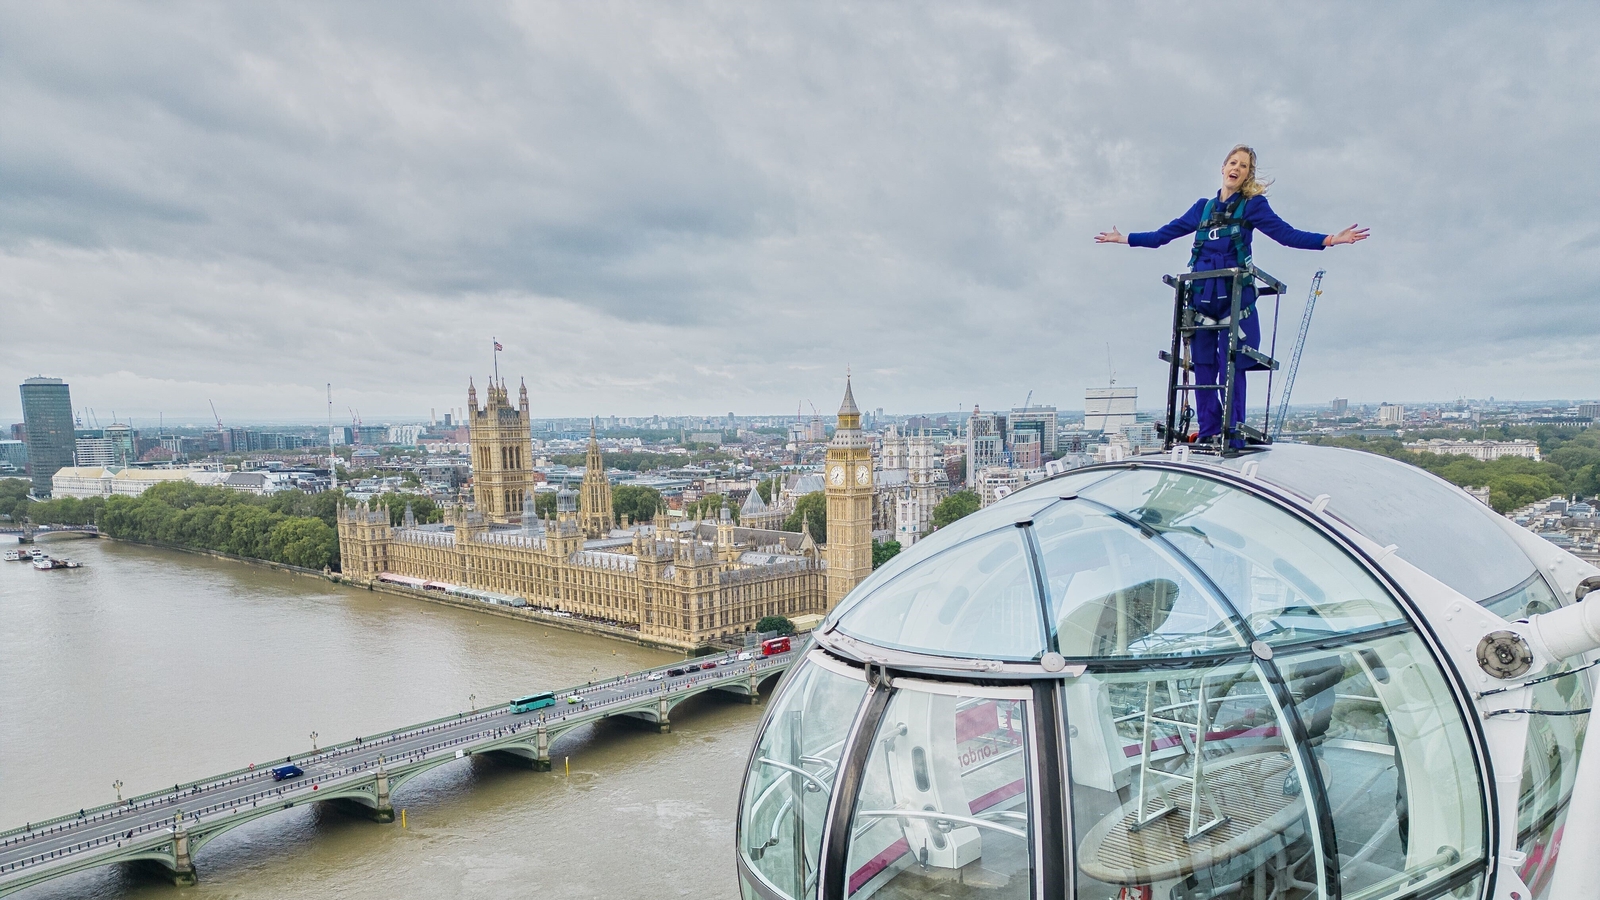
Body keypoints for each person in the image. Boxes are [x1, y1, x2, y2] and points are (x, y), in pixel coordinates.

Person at [1097, 145, 1367, 444]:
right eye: (1233, 163)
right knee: (1203, 367)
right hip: (1201, 301)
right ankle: (1210, 429)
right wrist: (1124, 239)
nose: (1236, 169)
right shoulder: (1203, 208)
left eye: (1244, 166)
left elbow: (1286, 234)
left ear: (1248, 175)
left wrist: (1329, 240)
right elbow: (1164, 235)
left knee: (1232, 365)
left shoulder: (1252, 206)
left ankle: (1232, 430)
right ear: (1223, 167)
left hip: (1235, 302)